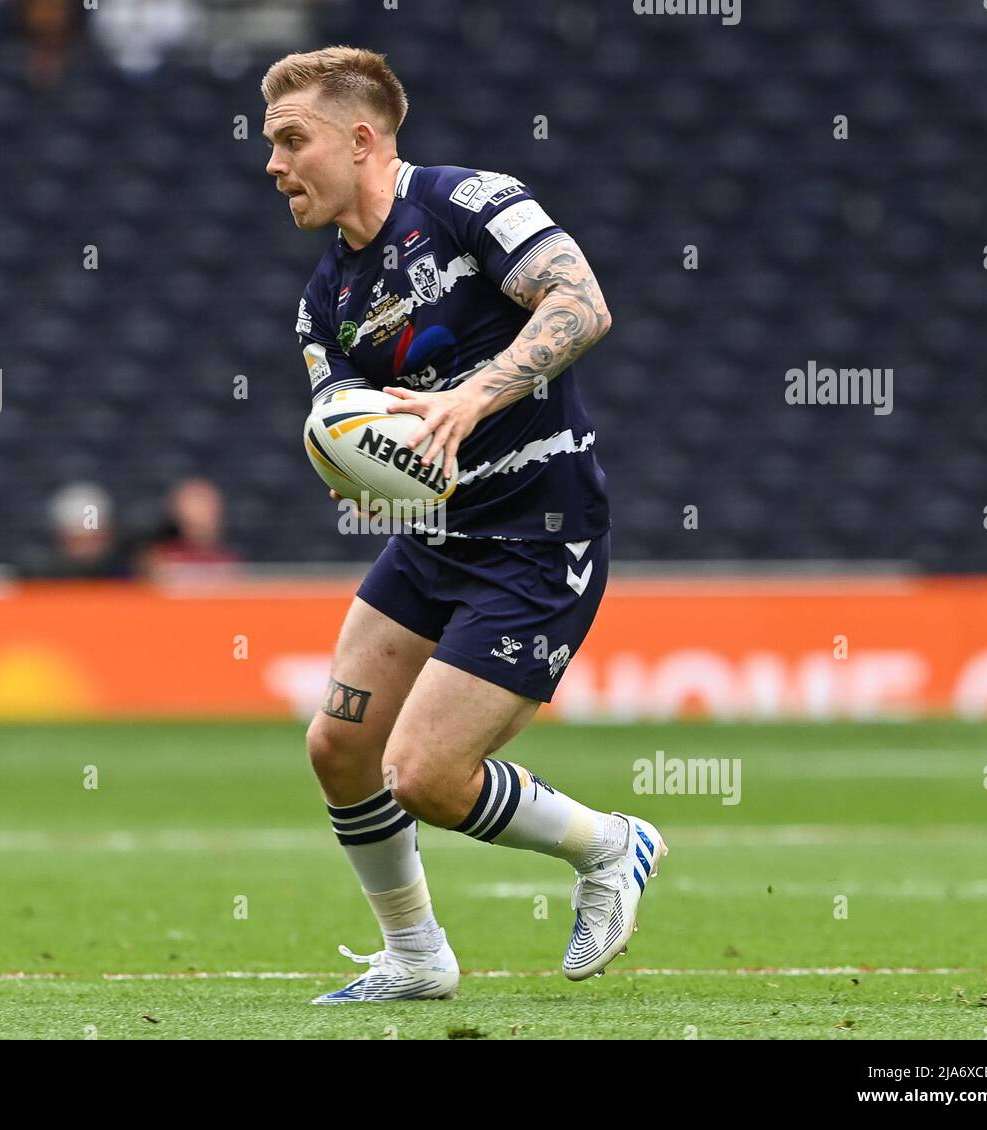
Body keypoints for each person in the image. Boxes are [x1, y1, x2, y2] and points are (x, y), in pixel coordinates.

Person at [262, 46, 665, 1003]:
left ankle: (613, 846)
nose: (272, 164)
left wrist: (472, 398)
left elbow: (582, 302)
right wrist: (352, 465)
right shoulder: (326, 302)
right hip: (435, 538)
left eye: (290, 140)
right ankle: (414, 956)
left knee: (427, 775)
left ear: (361, 139)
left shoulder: (471, 200)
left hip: (538, 534)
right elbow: (351, 432)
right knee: (337, 748)